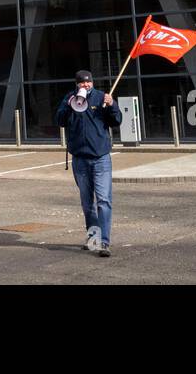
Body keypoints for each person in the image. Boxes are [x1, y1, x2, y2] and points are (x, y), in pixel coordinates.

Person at [55, 69, 122, 257]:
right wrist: (69, 105)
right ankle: (93, 239)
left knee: (103, 201)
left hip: (100, 158)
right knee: (87, 203)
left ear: (92, 82)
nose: (86, 85)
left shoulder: (101, 98)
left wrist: (112, 105)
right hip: (80, 159)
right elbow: (60, 121)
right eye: (82, 83)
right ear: (77, 84)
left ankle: (104, 242)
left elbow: (116, 121)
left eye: (88, 82)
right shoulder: (69, 98)